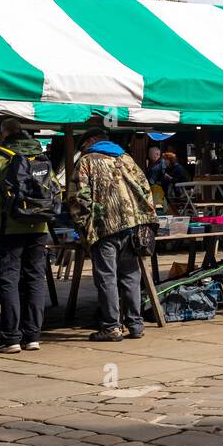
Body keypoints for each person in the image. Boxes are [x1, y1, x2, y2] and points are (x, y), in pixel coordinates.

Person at [0, 119, 60, 352]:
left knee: (9, 280)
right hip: (40, 228)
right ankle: (33, 336)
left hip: (11, 226)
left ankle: (11, 337)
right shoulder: (40, 155)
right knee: (35, 278)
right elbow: (55, 189)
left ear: (3, 133)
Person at [70, 127, 158, 343]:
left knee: (107, 278)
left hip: (104, 229)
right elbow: (146, 190)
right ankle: (135, 325)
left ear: (90, 141)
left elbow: (78, 198)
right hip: (132, 226)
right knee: (130, 276)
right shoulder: (126, 158)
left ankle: (111, 327)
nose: (82, 150)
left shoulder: (87, 161)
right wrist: (145, 221)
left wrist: (83, 229)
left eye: (82, 146)